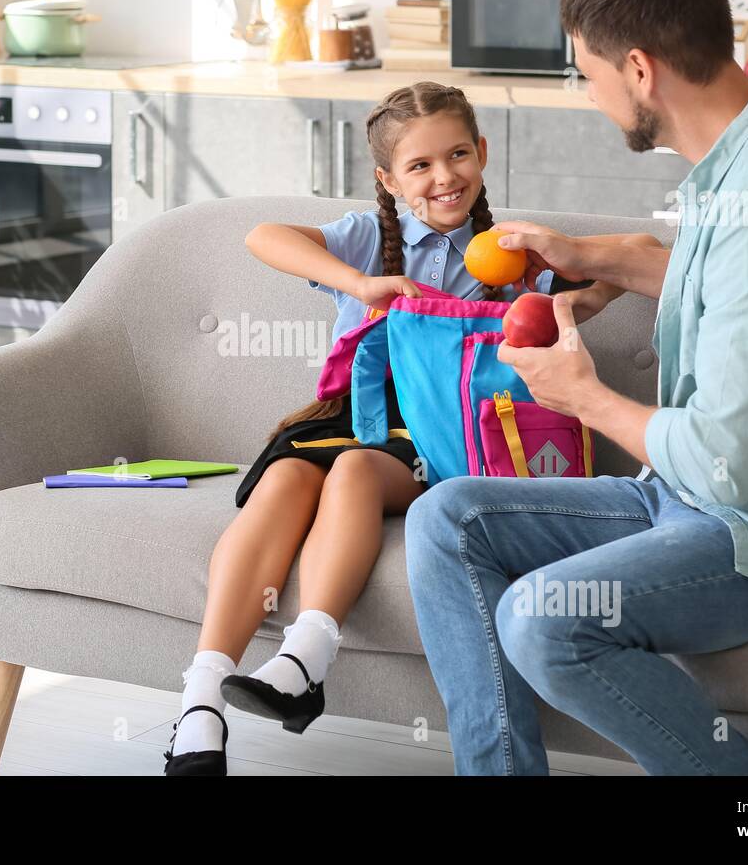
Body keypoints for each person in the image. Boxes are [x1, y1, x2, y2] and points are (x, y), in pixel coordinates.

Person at [404, 0, 748, 776]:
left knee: (546, 617)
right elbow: (733, 283)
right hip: (701, 503)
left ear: (640, 70)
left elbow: (725, 465)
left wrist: (584, 397)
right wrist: (588, 253)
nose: (592, 95)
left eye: (592, 73)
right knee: (446, 518)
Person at [164, 81, 550, 775]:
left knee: (353, 471)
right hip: (345, 411)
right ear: (388, 180)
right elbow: (263, 236)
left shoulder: (510, 256)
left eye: (458, 154)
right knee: (284, 481)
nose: (444, 177)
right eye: (420, 166)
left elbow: (581, 301)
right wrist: (359, 283)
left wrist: (568, 276)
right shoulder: (370, 239)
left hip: (432, 430)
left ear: (483, 153)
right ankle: (200, 704)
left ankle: (307, 655)